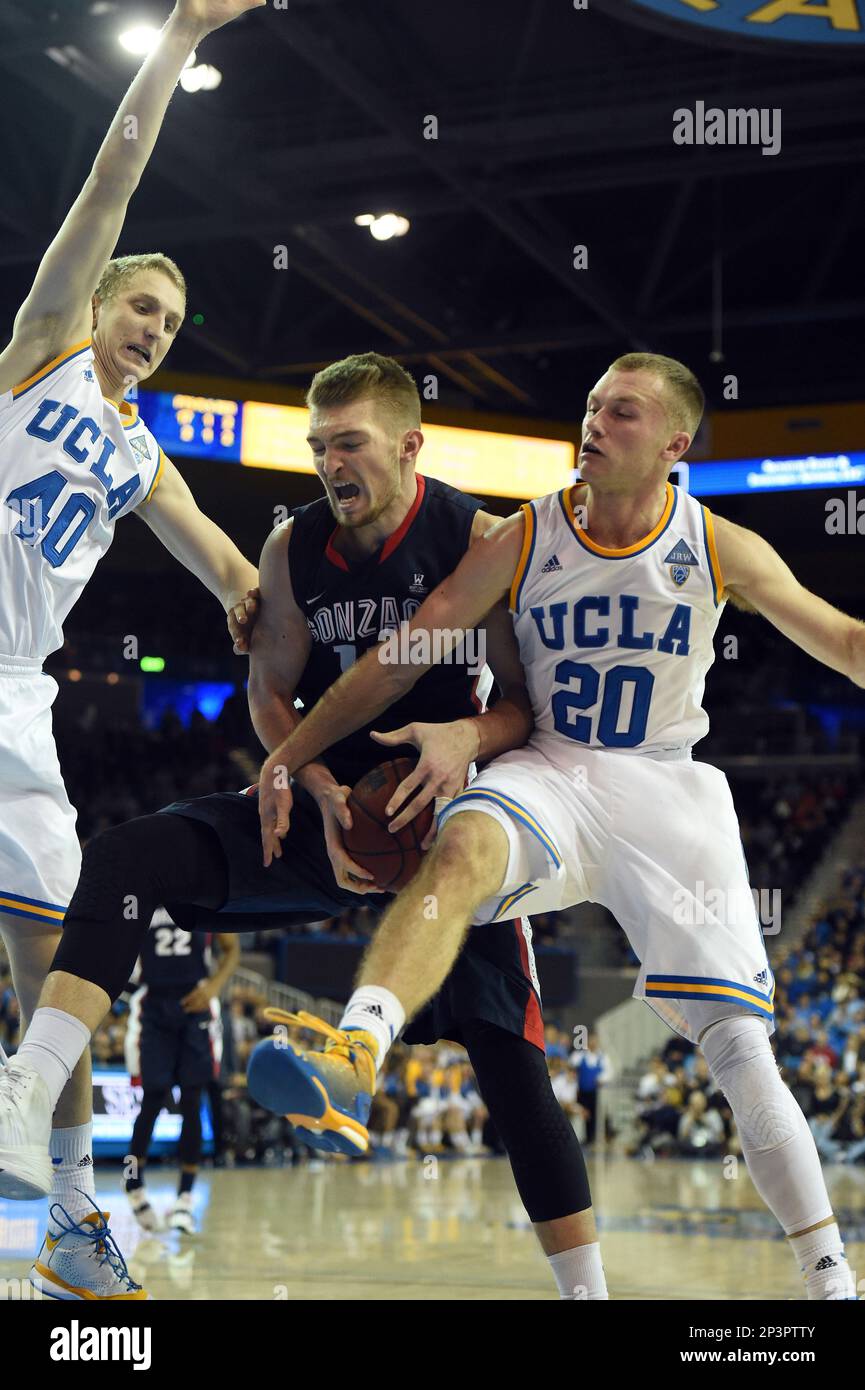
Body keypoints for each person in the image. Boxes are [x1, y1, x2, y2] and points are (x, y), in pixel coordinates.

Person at [241, 349, 862, 1300]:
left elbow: (846, 641)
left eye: (620, 414)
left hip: (665, 789)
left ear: (674, 443)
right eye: (590, 407)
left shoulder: (717, 544)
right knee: (457, 848)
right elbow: (402, 659)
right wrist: (288, 756)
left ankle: (828, 1283)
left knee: (738, 1049)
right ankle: (353, 1052)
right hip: (553, 769)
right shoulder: (525, 535)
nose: (593, 425)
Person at [0, 352, 606, 1300]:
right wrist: (313, 783)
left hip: (443, 816)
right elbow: (267, 693)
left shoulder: (476, 536)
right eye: (318, 446)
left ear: (409, 444)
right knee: (124, 856)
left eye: (348, 444)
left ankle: (588, 1294)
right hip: (325, 805)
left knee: (512, 1062)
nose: (328, 464)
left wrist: (462, 734)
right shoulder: (291, 548)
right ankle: (30, 1091)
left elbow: (524, 707)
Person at [0, 0, 264, 1300]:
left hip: (12, 708)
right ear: (94, 304)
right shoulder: (39, 353)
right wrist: (182, 34)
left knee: (68, 967)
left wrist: (298, 604)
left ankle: (68, 1220)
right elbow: (113, 170)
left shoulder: (142, 450)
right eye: (139, 307)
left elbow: (220, 556)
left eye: (168, 324)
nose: (151, 329)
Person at [123, 913, 239, 1233]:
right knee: (153, 1098)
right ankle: (133, 1183)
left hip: (195, 1005)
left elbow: (232, 948)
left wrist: (214, 987)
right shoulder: (141, 896)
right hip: (154, 1006)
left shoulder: (202, 898)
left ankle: (185, 1197)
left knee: (192, 1100)